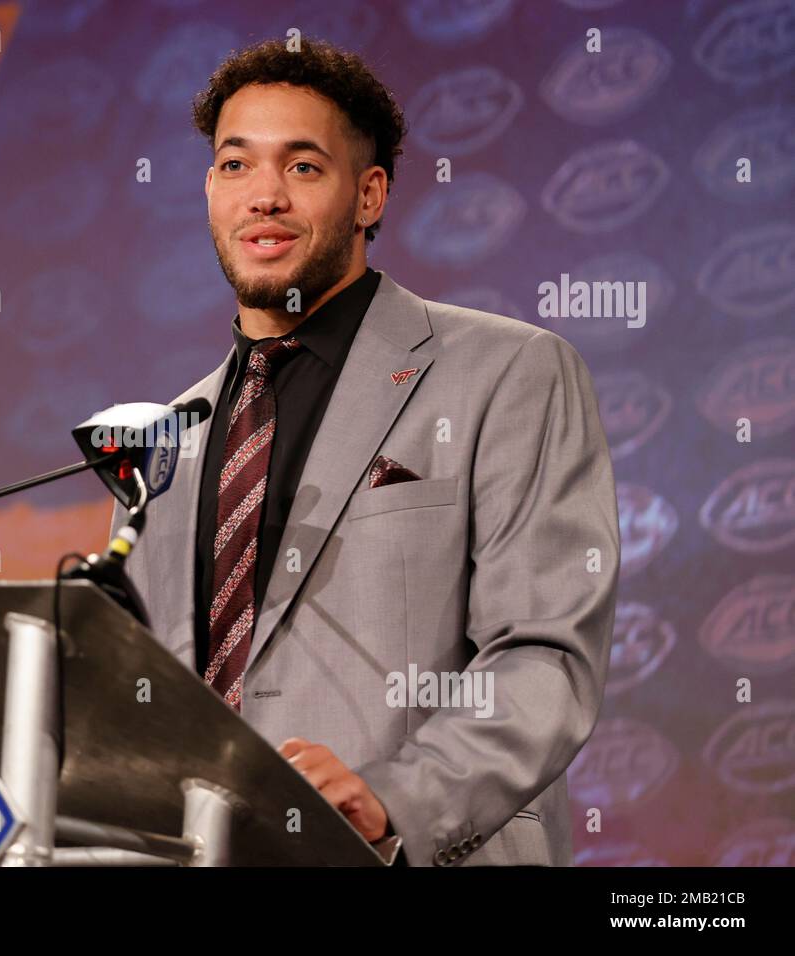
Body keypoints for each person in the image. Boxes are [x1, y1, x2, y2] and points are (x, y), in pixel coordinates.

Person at [109, 37, 619, 866]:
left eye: (302, 167)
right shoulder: (167, 438)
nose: (263, 197)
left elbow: (545, 656)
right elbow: (144, 701)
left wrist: (396, 795)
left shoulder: (510, 371)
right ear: (209, 188)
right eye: (236, 166)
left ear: (370, 193)